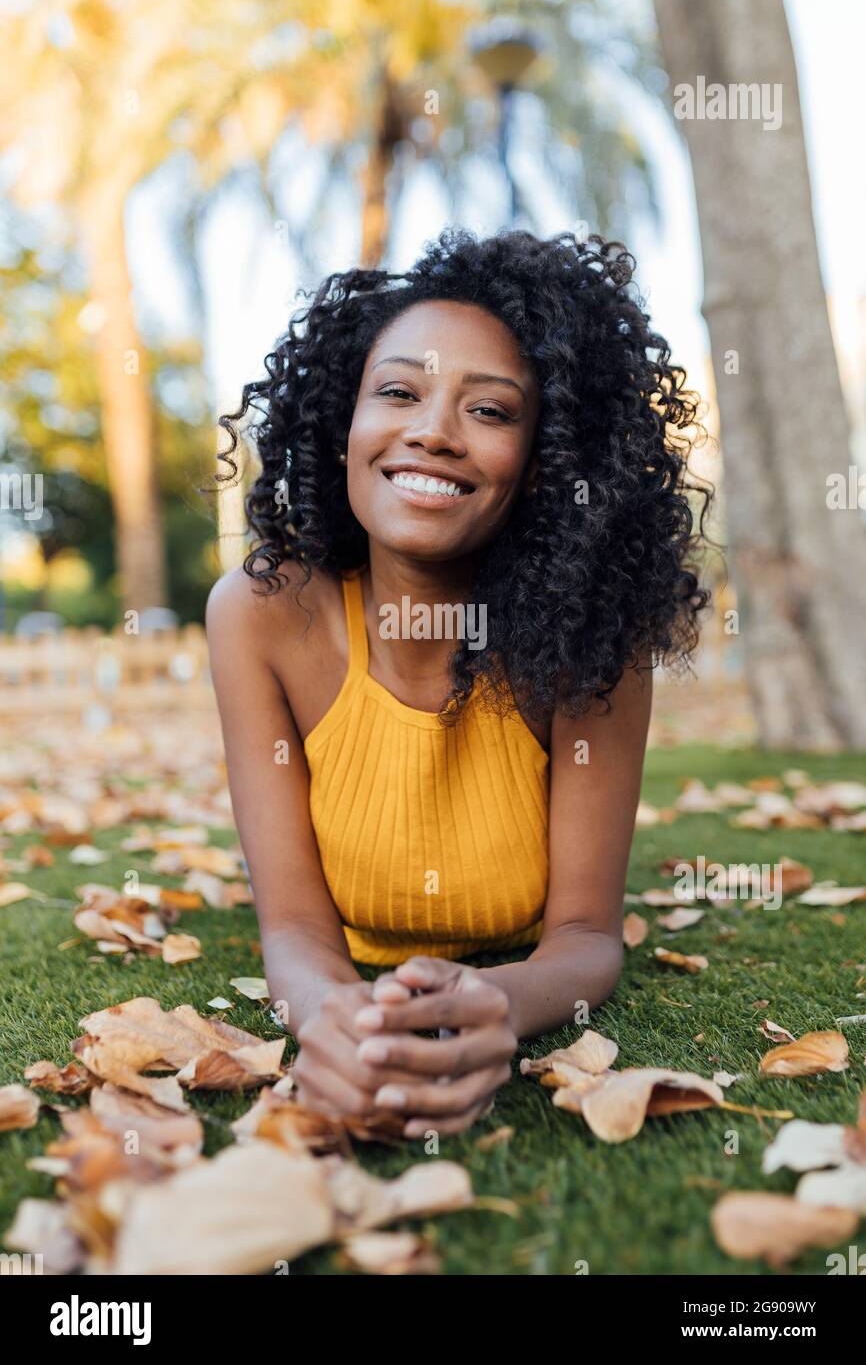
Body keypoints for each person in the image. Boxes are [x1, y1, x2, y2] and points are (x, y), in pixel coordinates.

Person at [206, 228, 710, 1138]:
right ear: (341, 424)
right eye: (397, 392)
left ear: (551, 460)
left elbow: (587, 941)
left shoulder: (591, 638)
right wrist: (330, 1019)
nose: (432, 431)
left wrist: (490, 1008)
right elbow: (293, 934)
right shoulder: (261, 614)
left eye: (491, 411)